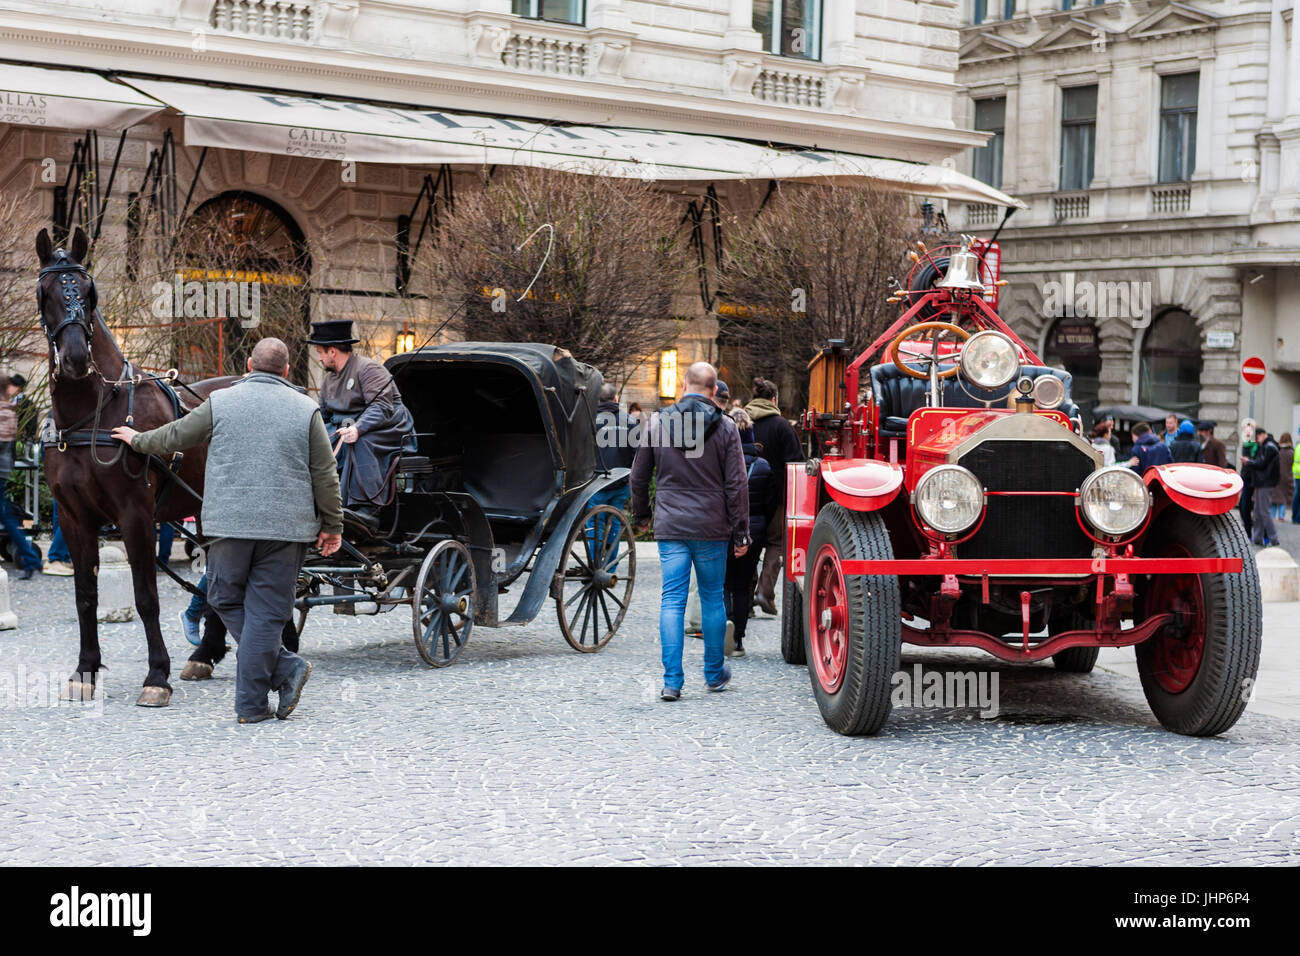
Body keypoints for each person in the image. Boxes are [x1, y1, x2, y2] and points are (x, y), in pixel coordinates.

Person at [112, 338, 343, 724]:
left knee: (223, 598)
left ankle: (272, 685)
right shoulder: (306, 410)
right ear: (287, 371)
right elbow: (325, 474)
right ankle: (273, 681)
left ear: (249, 364)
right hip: (288, 530)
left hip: (229, 526)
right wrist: (332, 525)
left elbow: (173, 437)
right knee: (268, 615)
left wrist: (137, 440)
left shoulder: (219, 403)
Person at [631, 361, 749, 701]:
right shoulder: (726, 427)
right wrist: (740, 531)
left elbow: (639, 476)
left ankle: (672, 681)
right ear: (714, 392)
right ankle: (714, 674)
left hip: (671, 523)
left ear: (683, 385)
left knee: (672, 600)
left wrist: (642, 516)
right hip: (711, 525)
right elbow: (737, 484)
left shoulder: (656, 423)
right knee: (712, 597)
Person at [310, 319, 416, 530]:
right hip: (345, 427)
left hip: (386, 426)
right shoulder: (329, 379)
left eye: (320, 352)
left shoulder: (368, 369)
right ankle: (322, 502)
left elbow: (381, 407)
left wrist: (358, 428)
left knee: (360, 441)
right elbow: (323, 415)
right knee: (318, 441)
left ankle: (366, 508)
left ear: (332, 351)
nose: (319, 357)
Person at [746, 378, 803, 616]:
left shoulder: (739, 421)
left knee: (746, 544)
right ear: (773, 400)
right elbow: (797, 462)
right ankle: (765, 592)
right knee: (775, 543)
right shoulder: (782, 426)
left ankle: (744, 598)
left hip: (744, 493)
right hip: (776, 495)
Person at [724, 409, 775, 659]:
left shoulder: (721, 462)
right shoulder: (764, 466)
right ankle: (738, 640)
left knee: (723, 584)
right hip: (754, 530)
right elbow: (770, 503)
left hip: (723, 529)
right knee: (743, 587)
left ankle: (725, 625)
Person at [0, 376, 42, 579]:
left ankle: (31, 558)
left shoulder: (5, 411)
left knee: (5, 516)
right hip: (3, 467)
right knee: (5, 516)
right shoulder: (8, 409)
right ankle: (31, 559)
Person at [1242, 426, 1280, 546]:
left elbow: (1262, 463)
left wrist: (1248, 462)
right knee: (1259, 511)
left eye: (1257, 437)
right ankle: (1258, 538)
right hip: (1262, 482)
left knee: (1263, 511)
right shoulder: (1268, 446)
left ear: (1263, 435)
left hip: (1265, 482)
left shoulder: (1269, 447)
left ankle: (1274, 539)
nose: (1256, 440)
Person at [1240, 419, 1258, 539]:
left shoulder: (1255, 446)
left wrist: (1248, 461)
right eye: (1246, 430)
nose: (1248, 432)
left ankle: (1250, 532)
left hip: (1252, 479)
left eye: (1250, 430)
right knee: (1243, 506)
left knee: (1247, 505)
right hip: (1246, 477)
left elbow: (1256, 462)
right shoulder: (1245, 445)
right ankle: (1248, 530)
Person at [1273, 432, 1294, 522]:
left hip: (1276, 476)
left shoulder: (1277, 450)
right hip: (1287, 477)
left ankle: (1272, 516)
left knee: (1273, 498)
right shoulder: (1291, 452)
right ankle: (1281, 517)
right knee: (1284, 498)